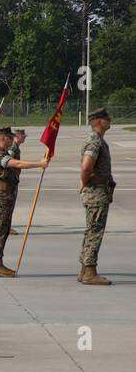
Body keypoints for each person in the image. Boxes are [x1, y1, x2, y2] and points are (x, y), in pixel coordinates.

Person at [0, 126, 49, 278]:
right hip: (0, 198)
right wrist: (39, 163)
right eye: (9, 137)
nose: (12, 139)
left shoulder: (4, 153)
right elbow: (17, 164)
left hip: (5, 196)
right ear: (2, 138)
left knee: (3, 230)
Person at [78, 108, 115, 286]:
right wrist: (85, 183)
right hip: (96, 192)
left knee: (91, 230)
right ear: (100, 121)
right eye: (107, 119)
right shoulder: (95, 141)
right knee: (95, 232)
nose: (110, 120)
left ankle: (84, 269)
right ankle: (89, 271)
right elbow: (86, 167)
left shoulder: (99, 140)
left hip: (98, 190)